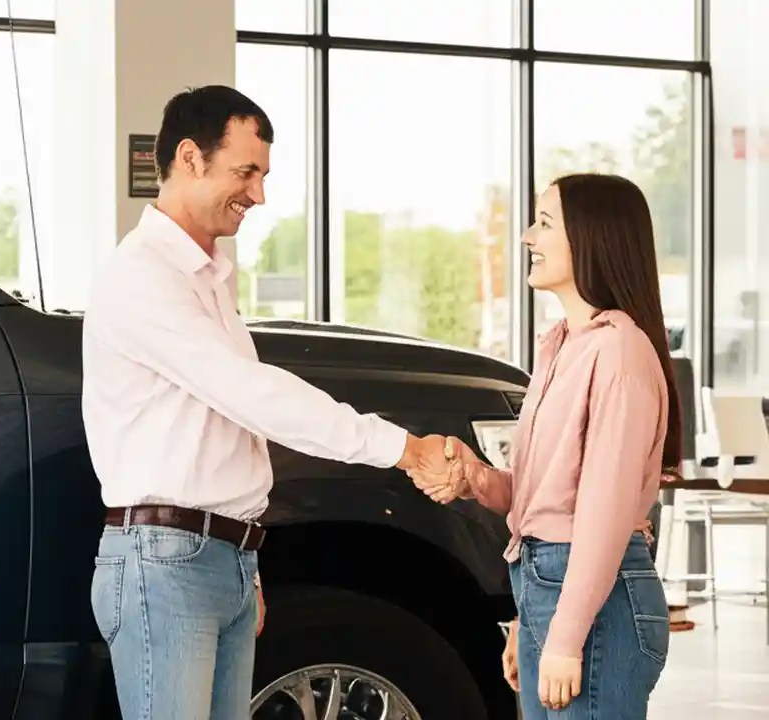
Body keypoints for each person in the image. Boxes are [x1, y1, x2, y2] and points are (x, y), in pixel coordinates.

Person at [81, 84, 456, 720]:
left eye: (262, 175)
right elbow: (255, 396)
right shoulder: (143, 275)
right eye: (245, 171)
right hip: (166, 566)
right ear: (191, 158)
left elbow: (225, 429)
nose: (258, 193)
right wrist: (405, 448)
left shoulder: (209, 278)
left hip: (220, 557)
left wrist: (243, 561)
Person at [413, 173, 678, 718]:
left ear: (593, 237)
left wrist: (563, 637)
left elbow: (603, 514)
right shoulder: (562, 346)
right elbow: (546, 499)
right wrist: (478, 479)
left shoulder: (620, 352)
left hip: (597, 602)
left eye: (544, 223)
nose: (528, 237)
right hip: (552, 590)